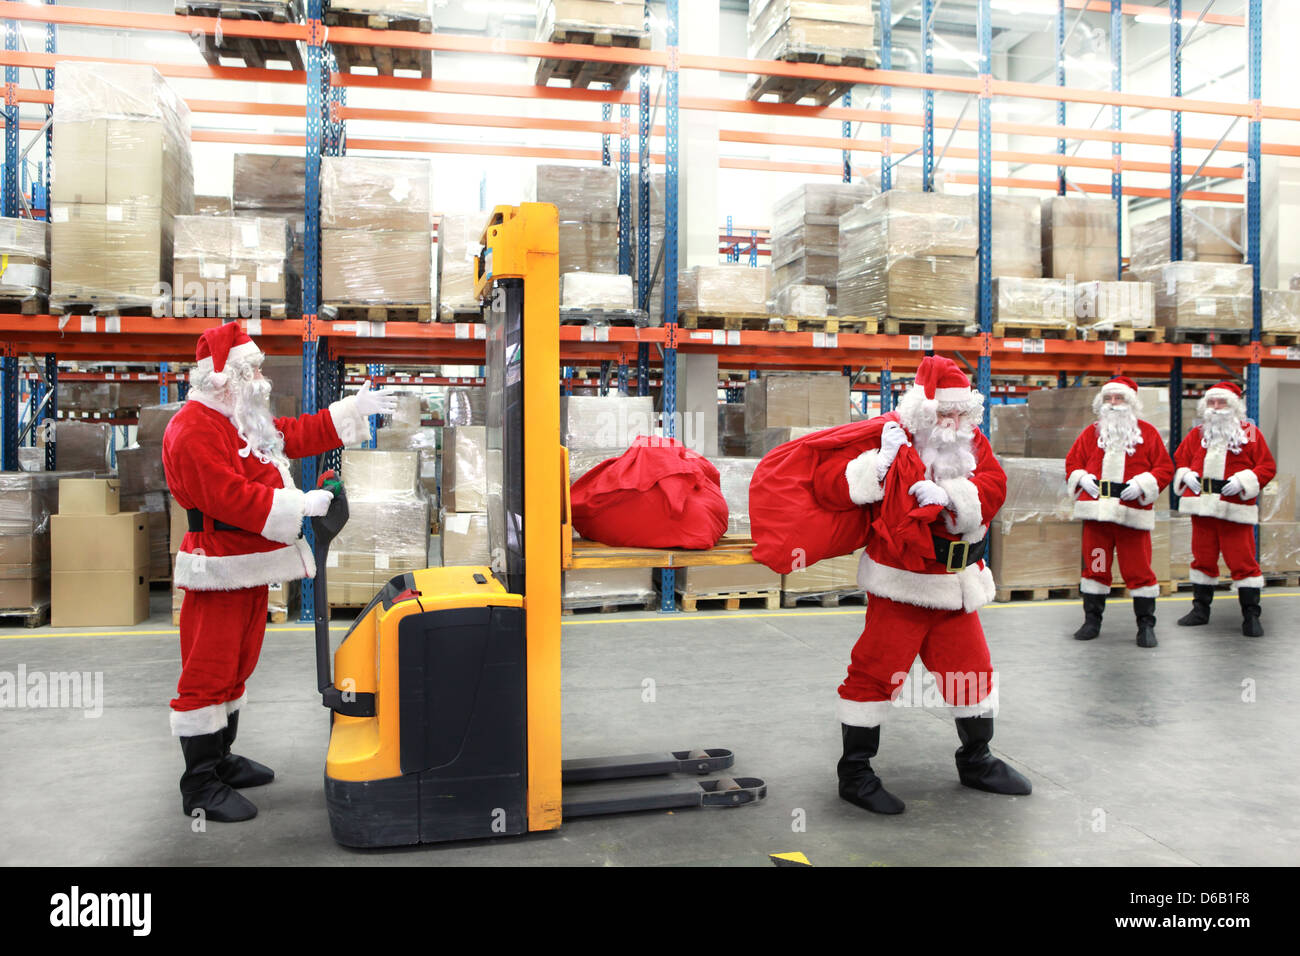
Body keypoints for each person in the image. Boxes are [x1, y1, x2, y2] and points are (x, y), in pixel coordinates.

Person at [161, 322, 397, 822]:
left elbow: (293, 434)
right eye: (254, 369)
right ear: (224, 377)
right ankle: (199, 784)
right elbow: (226, 496)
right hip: (218, 566)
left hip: (249, 564)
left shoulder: (241, 418)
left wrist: (352, 413)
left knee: (238, 663)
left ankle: (221, 758)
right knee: (208, 670)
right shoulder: (191, 428)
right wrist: (298, 503)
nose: (263, 377)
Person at [811, 355, 1031, 815]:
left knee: (972, 671)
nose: (951, 424)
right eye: (942, 415)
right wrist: (881, 463)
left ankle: (977, 760)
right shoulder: (894, 439)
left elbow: (994, 486)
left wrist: (952, 496)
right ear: (923, 413)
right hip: (902, 585)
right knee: (876, 672)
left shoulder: (974, 445)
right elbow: (834, 486)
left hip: (957, 584)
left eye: (959, 415)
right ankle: (854, 773)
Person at [1063, 377, 1174, 648]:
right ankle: (1092, 621)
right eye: (1109, 399)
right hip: (1098, 518)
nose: (1113, 404)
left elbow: (1164, 469)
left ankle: (1146, 625)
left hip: (1131, 517)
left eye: (1119, 398)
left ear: (1131, 403)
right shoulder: (1091, 433)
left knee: (1138, 571)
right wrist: (1081, 478)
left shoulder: (1147, 434)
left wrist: (1142, 485)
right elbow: (1072, 461)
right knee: (1096, 568)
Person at [1171, 381, 1275, 637]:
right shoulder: (1197, 434)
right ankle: (1200, 610)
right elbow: (1181, 458)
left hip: (1234, 510)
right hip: (1203, 508)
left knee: (1243, 561)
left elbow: (1266, 467)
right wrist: (1186, 475)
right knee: (1202, 559)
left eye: (1222, 402)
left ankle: (1251, 615)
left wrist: (1242, 481)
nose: (1216, 408)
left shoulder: (1250, 433)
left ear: (1234, 405)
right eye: (1212, 403)